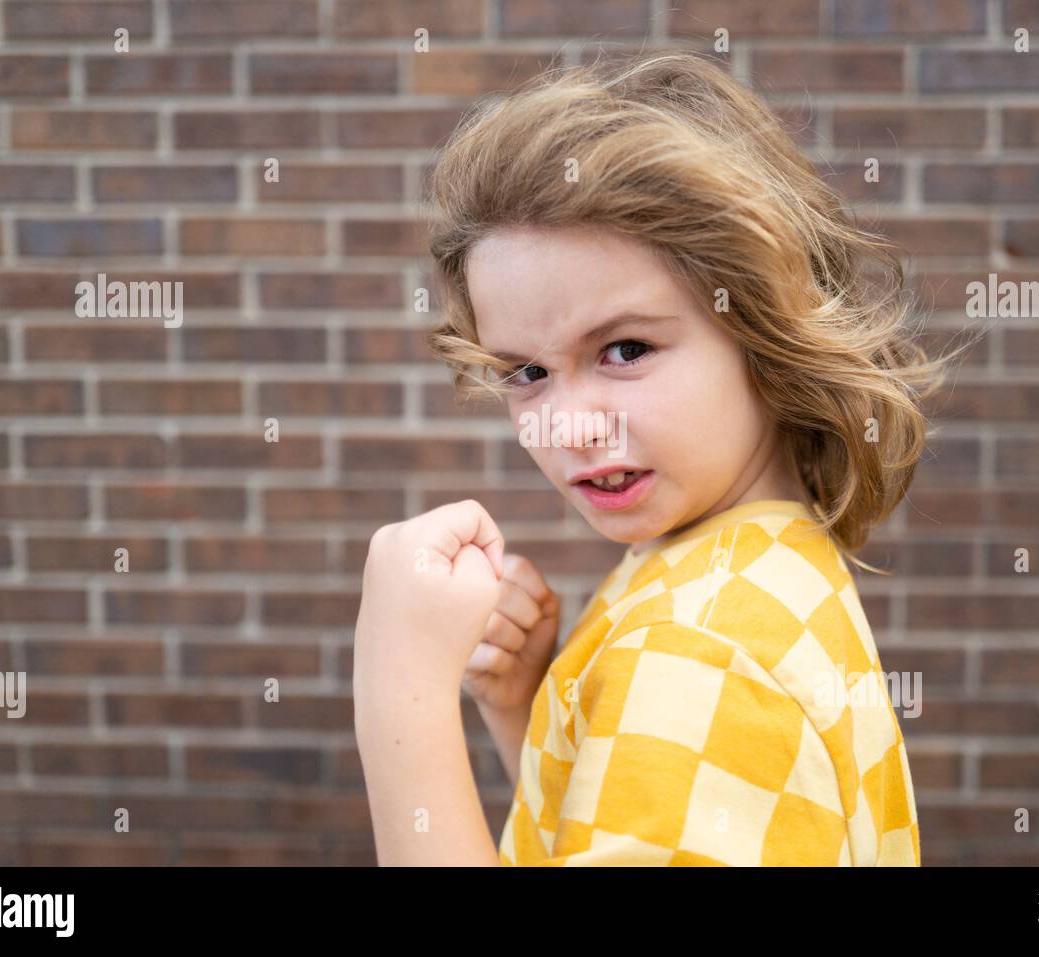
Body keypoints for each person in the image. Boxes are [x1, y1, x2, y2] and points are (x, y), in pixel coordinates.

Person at [353, 50, 966, 866]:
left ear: (763, 327)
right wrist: (529, 705)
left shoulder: (696, 648)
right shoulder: (735, 569)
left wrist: (401, 694)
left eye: (626, 348)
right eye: (526, 372)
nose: (568, 427)